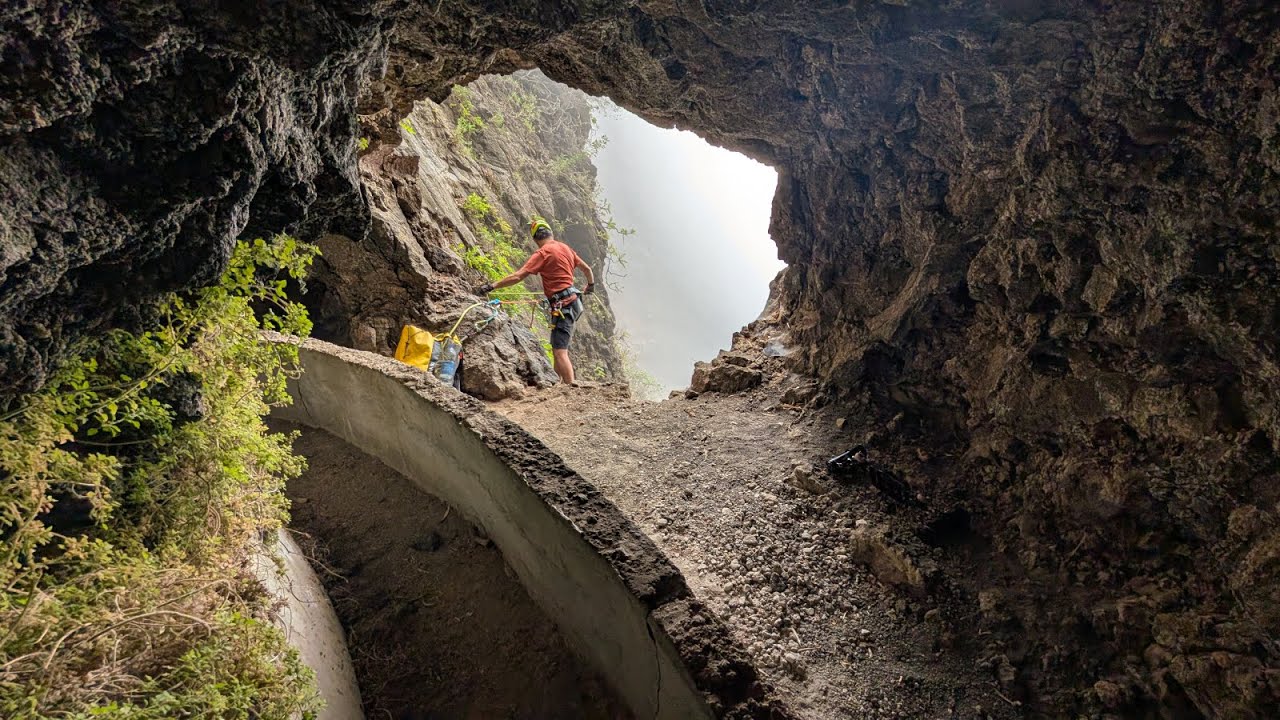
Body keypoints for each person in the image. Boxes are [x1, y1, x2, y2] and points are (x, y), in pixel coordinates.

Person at [477, 219, 595, 383]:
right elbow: (587, 269)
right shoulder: (565, 248)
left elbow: (518, 276)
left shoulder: (543, 253)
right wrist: (590, 286)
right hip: (570, 303)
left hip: (563, 305)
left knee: (561, 351)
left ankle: (571, 388)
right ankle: (558, 383)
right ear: (551, 233)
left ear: (535, 240)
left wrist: (492, 286)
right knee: (557, 348)